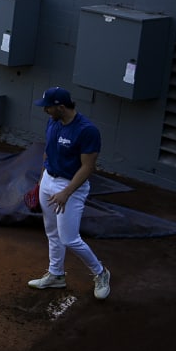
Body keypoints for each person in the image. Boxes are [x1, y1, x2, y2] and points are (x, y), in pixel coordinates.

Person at [27, 87, 112, 301]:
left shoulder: (87, 131)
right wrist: (41, 181)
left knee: (70, 238)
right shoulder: (53, 122)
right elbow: (49, 150)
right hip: (49, 180)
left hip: (71, 186)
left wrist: (66, 192)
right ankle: (56, 274)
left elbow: (87, 167)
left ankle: (101, 273)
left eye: (48, 106)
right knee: (52, 232)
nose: (45, 110)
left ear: (61, 107)